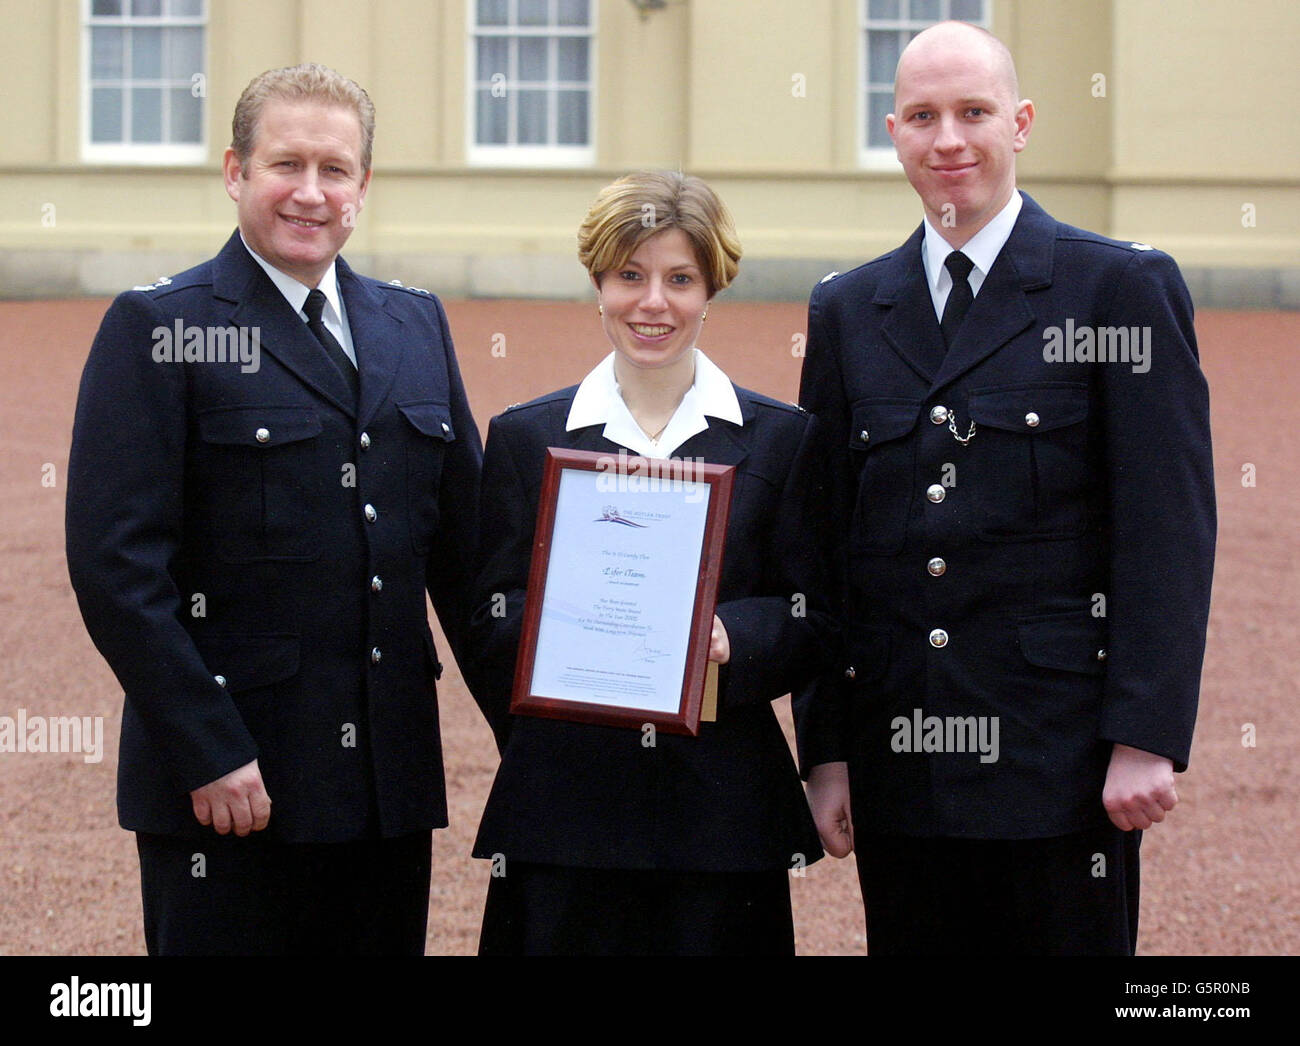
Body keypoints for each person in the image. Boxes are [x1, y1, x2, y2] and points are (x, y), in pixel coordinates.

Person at [797, 21, 1216, 955]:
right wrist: (826, 750)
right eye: (922, 116)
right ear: (894, 132)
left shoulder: (1119, 290)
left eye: (973, 112)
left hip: (1056, 761)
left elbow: (1167, 530)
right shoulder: (849, 310)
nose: (948, 139)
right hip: (902, 763)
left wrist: (1146, 734)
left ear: (1020, 123)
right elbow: (825, 550)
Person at [65, 63, 483, 955]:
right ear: (234, 173)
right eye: (285, 164)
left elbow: (469, 556)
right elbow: (117, 567)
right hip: (232, 790)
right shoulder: (163, 327)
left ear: (363, 187)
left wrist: (543, 732)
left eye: (335, 169)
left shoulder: (414, 325)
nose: (310, 191)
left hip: (383, 786)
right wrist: (204, 747)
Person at [467, 171, 830, 955]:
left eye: (679, 279)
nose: (653, 303)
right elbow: (491, 616)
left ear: (712, 287)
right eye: (629, 276)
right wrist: (567, 645)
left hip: (722, 815)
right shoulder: (528, 439)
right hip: (564, 809)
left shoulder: (779, 438)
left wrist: (733, 634)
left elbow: (816, 614)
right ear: (598, 282)